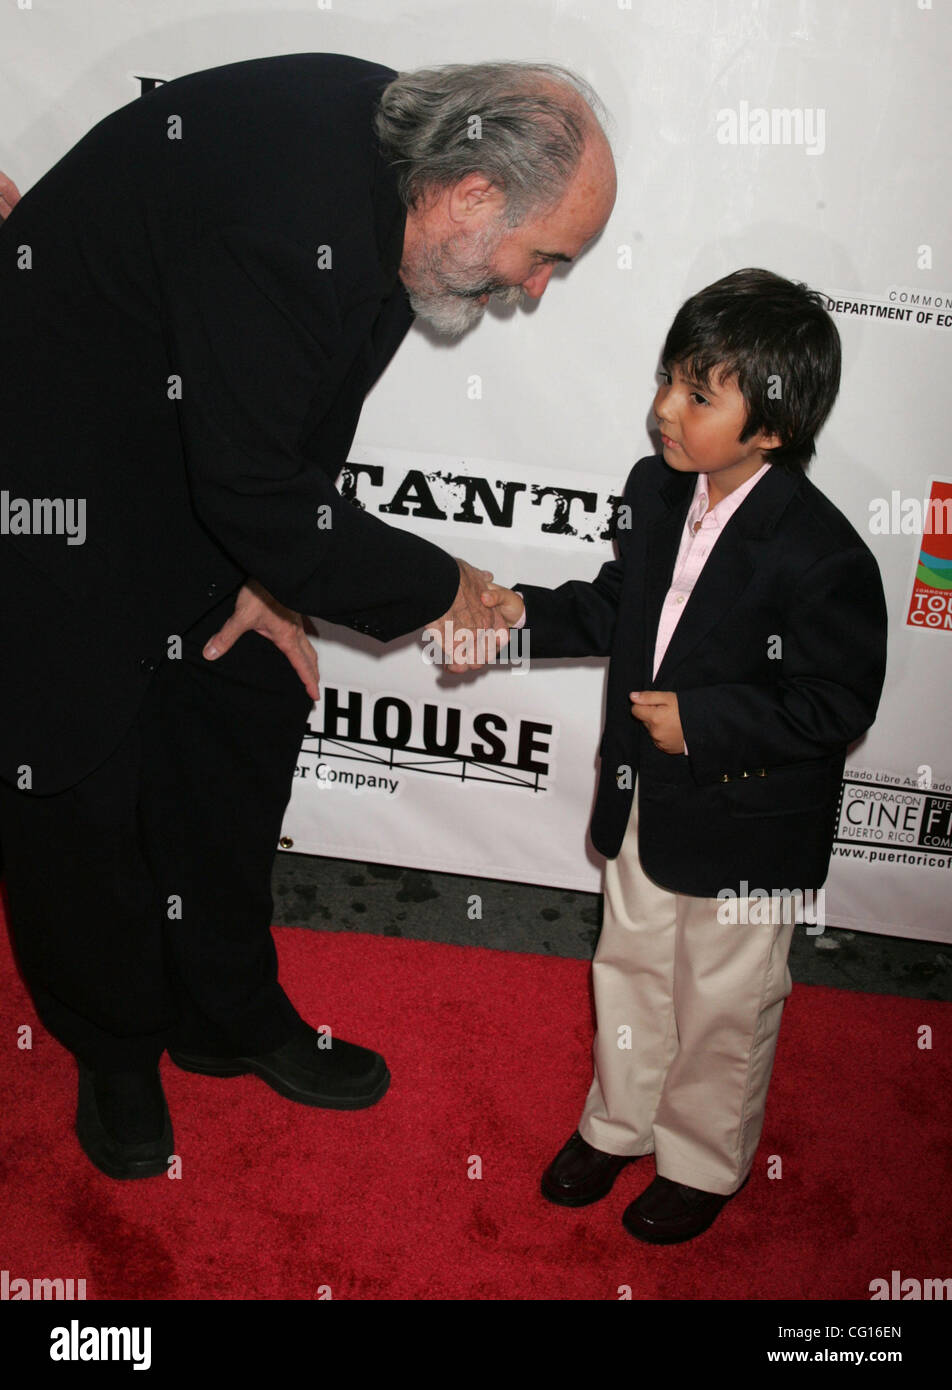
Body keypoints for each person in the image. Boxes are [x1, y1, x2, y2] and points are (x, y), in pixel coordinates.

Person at [0, 55, 616, 1180]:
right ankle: (117, 1043)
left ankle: (226, 1010)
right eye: (545, 261)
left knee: (245, 701)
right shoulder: (288, 212)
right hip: (46, 471)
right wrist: (443, 589)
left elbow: (300, 413)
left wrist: (276, 573)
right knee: (75, 782)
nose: (532, 290)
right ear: (477, 197)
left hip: (196, 447)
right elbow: (254, 484)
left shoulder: (401, 176)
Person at [480, 268, 888, 1243]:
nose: (663, 407)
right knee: (626, 968)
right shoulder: (654, 489)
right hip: (639, 803)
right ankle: (617, 1124)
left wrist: (704, 721)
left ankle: (704, 1158)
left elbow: (836, 704)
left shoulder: (822, 553)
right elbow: (624, 606)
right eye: (668, 377)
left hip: (750, 830)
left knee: (725, 1000)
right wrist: (518, 621)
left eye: (698, 394)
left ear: (773, 428)